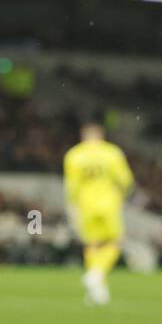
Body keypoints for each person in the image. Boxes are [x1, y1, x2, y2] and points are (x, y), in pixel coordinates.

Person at [63, 121, 134, 305]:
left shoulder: (74, 155)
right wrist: (121, 196)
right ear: (101, 136)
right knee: (115, 241)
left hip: (85, 205)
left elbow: (72, 186)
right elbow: (126, 180)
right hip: (108, 203)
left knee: (92, 244)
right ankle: (97, 274)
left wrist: (73, 206)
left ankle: (97, 287)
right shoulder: (111, 153)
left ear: (83, 136)